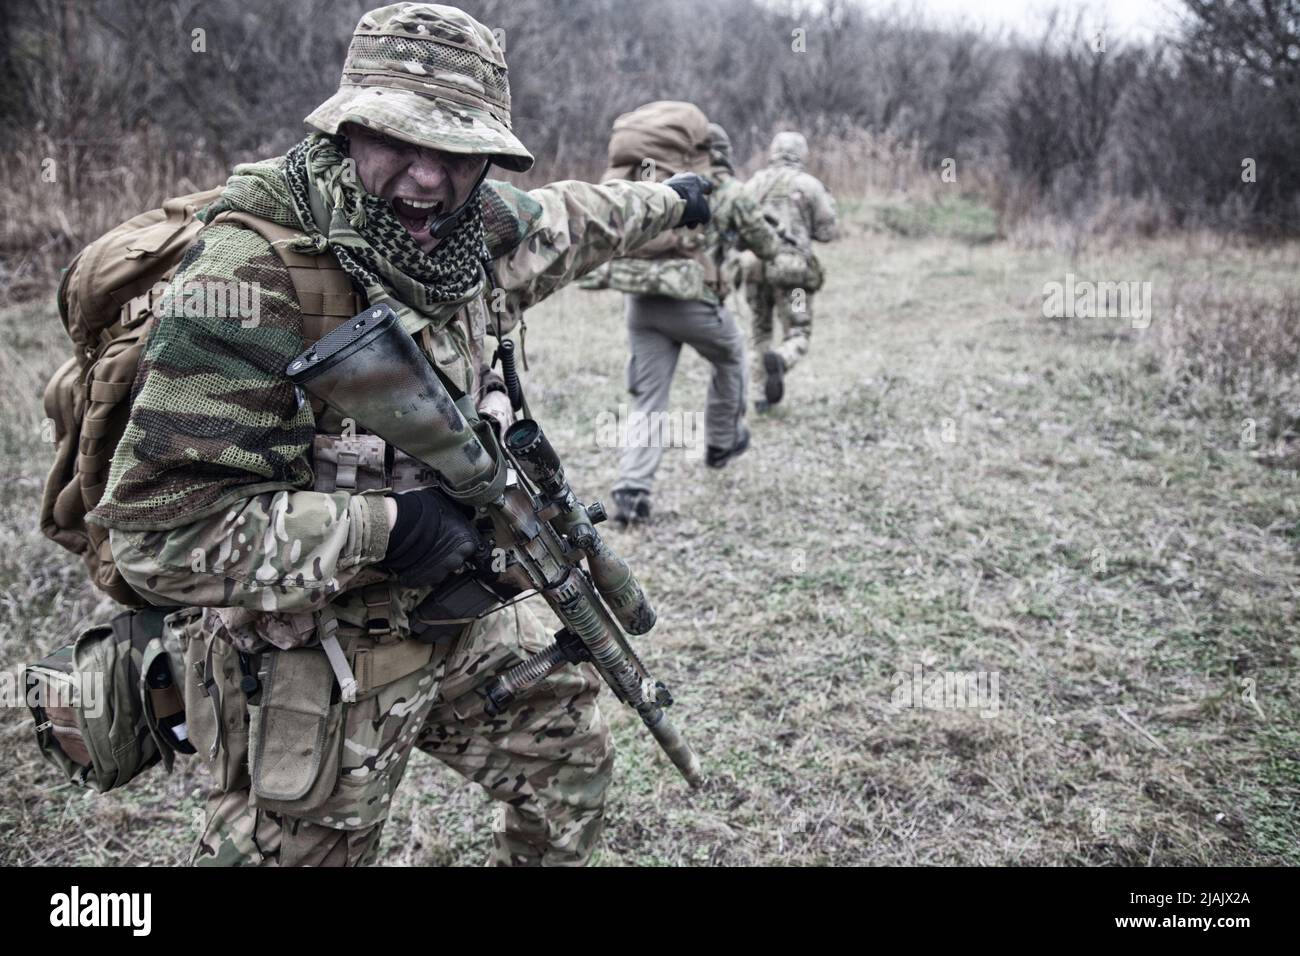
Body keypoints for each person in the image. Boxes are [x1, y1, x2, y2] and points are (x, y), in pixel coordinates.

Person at [86, 2, 710, 867]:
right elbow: (160, 539)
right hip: (313, 656)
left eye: (456, 152)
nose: (426, 178)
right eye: (397, 142)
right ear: (347, 129)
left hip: (462, 618)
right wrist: (391, 530)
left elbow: (580, 216)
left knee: (570, 768)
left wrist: (674, 200)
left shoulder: (476, 232)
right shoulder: (252, 273)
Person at [601, 109, 782, 527]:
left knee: (649, 398)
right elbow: (767, 246)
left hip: (642, 304)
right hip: (694, 303)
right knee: (731, 355)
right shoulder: (730, 190)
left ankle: (632, 490)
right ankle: (721, 442)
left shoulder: (661, 185)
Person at [742, 131, 838, 410]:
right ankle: (782, 359)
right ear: (802, 153)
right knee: (798, 331)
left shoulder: (755, 183)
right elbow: (827, 230)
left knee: (760, 330)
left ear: (773, 151)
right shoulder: (809, 186)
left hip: (754, 268)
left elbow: (739, 223)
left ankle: (761, 395)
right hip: (792, 274)